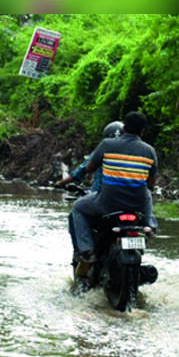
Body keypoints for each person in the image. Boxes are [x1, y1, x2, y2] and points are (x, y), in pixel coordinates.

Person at [68, 111, 159, 275]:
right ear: (143, 131)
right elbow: (151, 183)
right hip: (137, 205)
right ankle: (149, 225)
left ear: (124, 128)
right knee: (147, 194)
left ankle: (87, 251)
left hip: (107, 203)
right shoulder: (150, 151)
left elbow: (90, 168)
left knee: (78, 208)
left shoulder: (107, 144)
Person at [56, 120, 124, 193]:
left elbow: (83, 169)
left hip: (100, 194)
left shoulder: (103, 149)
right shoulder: (132, 152)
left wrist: (61, 183)